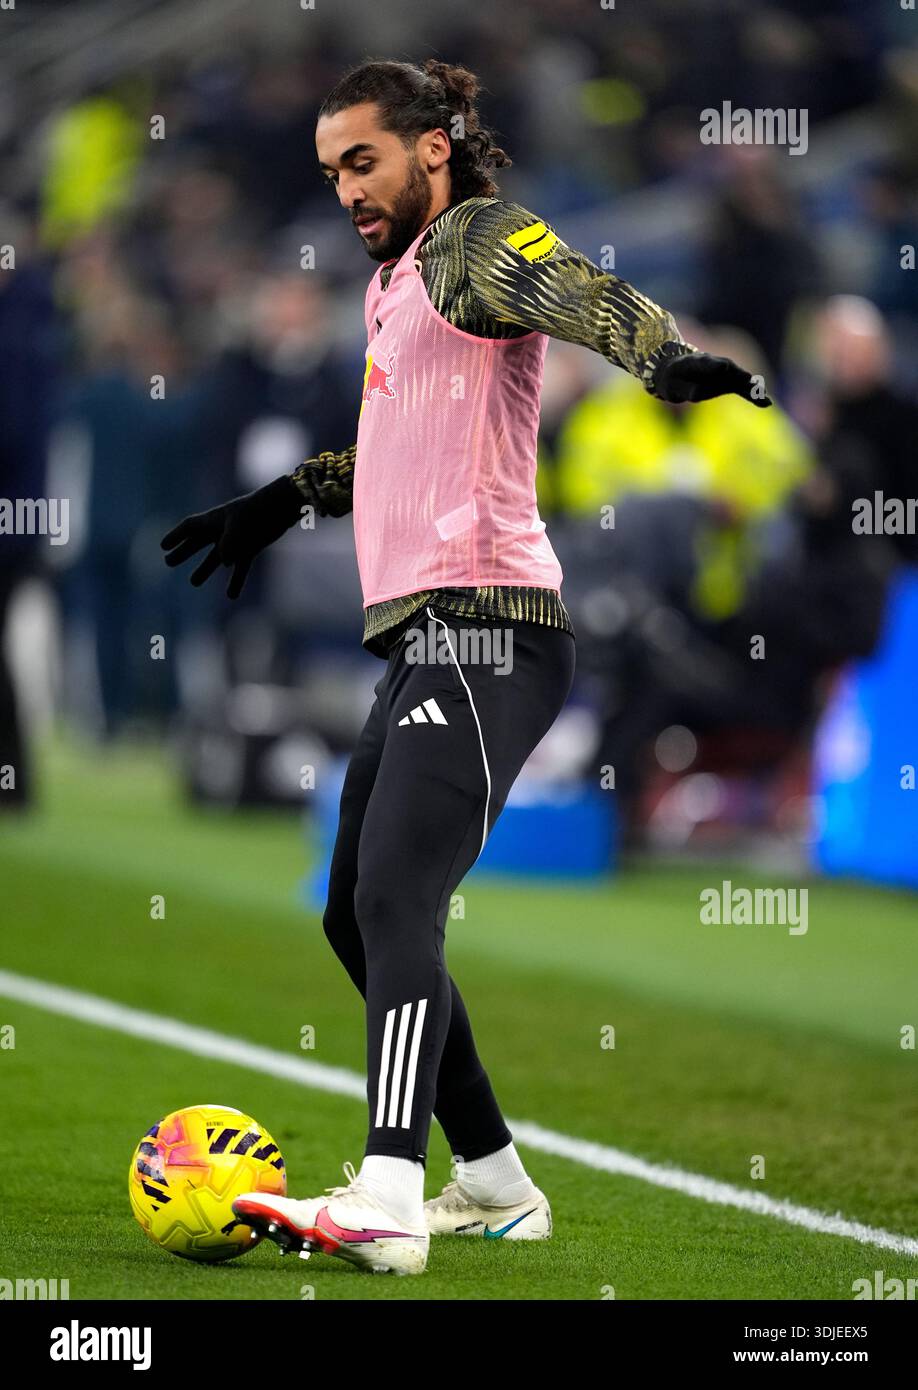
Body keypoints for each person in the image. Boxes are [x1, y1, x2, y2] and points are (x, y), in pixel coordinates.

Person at [161, 58, 769, 1275]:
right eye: (331, 170)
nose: (344, 189)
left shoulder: (476, 238)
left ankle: (390, 1192)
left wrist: (662, 357)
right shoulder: (397, 283)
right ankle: (492, 1180)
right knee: (354, 911)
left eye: (364, 160)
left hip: (490, 633)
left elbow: (575, 287)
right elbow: (398, 439)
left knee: (396, 898)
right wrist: (287, 496)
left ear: (433, 147)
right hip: (425, 640)